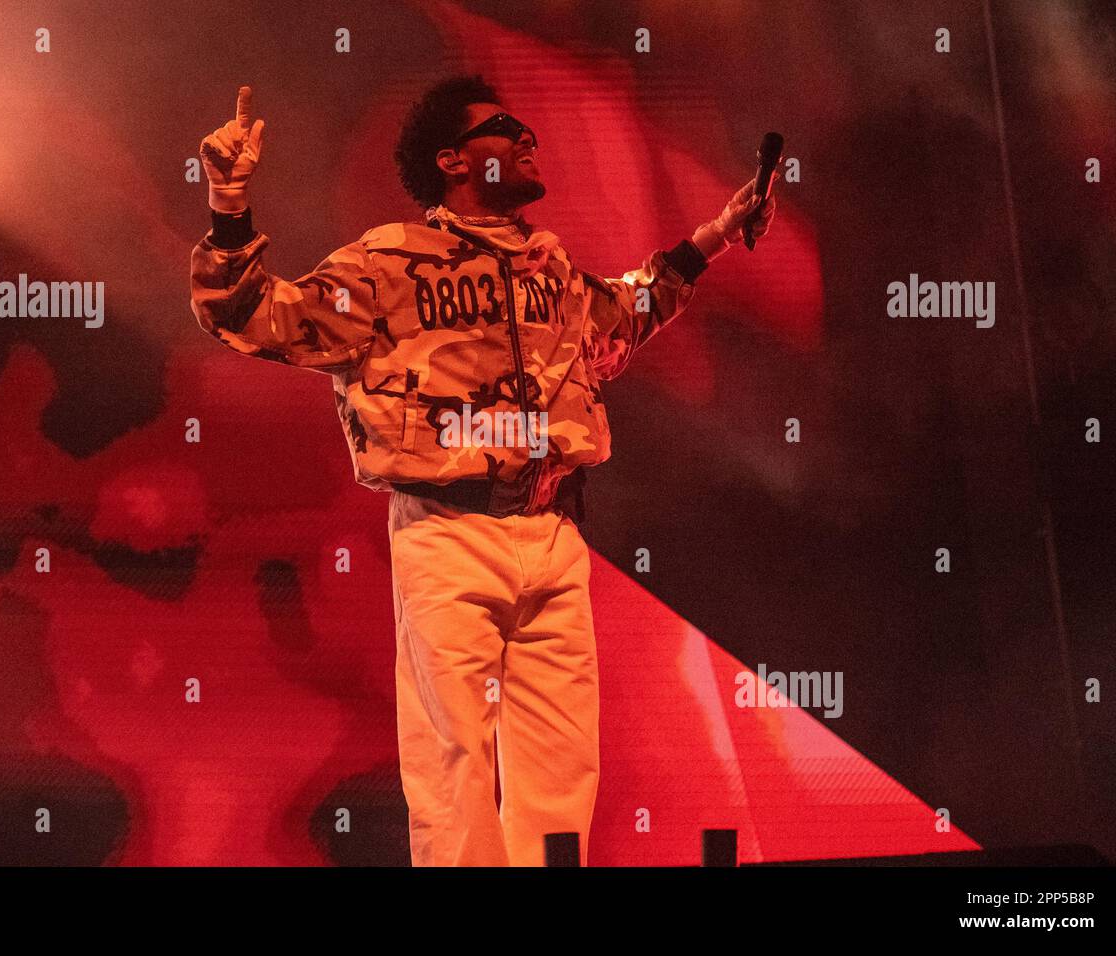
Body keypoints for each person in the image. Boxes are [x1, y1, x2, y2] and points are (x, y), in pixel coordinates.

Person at [190, 77, 776, 866]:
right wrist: (229, 205)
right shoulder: (389, 259)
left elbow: (625, 310)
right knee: (453, 766)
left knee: (562, 775)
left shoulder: (550, 267)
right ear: (452, 160)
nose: (530, 138)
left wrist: (716, 232)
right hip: (448, 529)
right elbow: (258, 317)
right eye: (507, 128)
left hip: (556, 534)